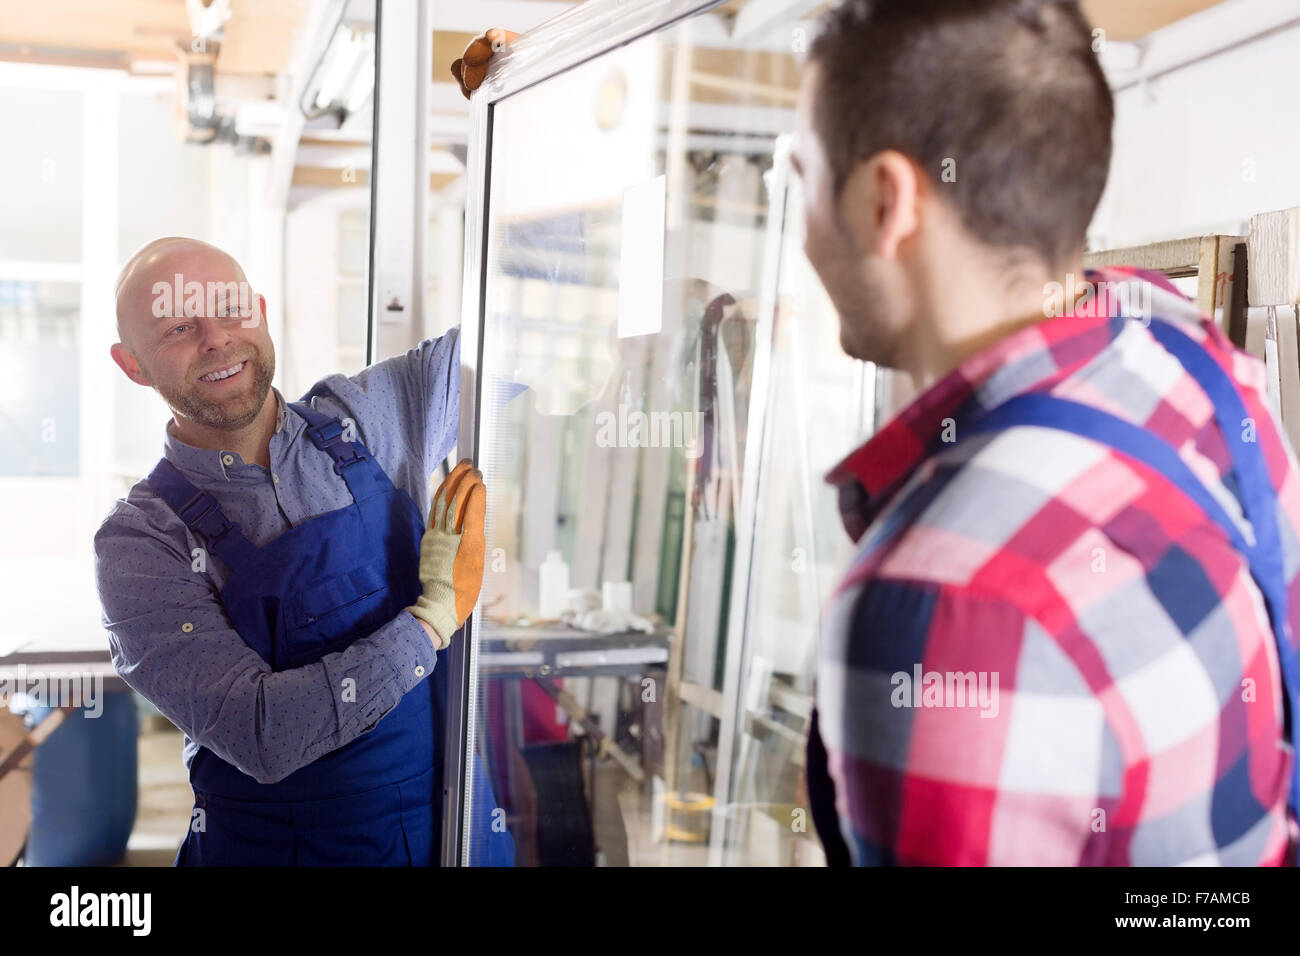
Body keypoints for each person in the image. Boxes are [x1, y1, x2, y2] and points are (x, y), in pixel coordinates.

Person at [794, 0, 1300, 865]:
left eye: (802, 173)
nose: (802, 234)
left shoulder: (937, 601)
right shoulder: (1203, 372)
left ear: (884, 200)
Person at [93, 31, 516, 866]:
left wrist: (512, 115)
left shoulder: (374, 414)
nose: (217, 339)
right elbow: (264, 732)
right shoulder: (141, 543)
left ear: (258, 309)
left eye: (229, 309)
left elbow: (520, 327)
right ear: (132, 365)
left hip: (442, 838)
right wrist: (431, 620)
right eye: (179, 328)